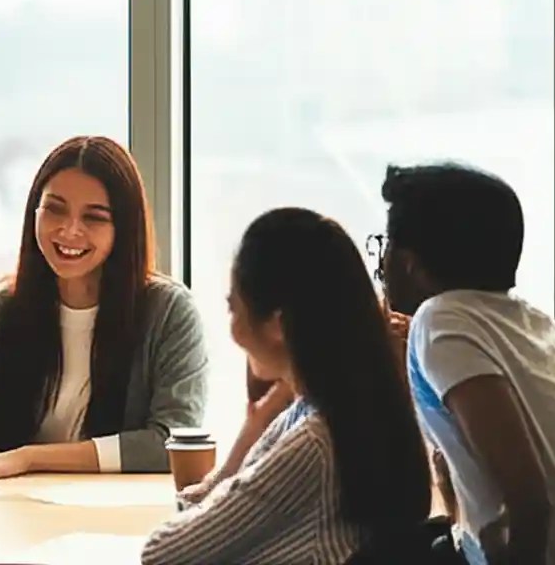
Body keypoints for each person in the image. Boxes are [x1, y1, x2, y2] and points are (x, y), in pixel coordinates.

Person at [0, 136, 208, 495]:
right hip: (12, 521)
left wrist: (30, 458)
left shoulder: (169, 313)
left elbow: (171, 441)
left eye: (94, 217)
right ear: (34, 214)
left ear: (124, 230)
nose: (70, 230)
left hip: (122, 523)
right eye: (55, 209)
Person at [142, 208, 431, 564]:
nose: (231, 329)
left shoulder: (314, 443)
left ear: (278, 325)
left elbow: (162, 554)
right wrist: (251, 435)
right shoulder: (339, 412)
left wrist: (245, 445)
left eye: (234, 309)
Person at [380, 162, 555, 565]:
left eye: (388, 243)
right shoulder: (531, 320)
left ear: (410, 262)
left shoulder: (440, 319)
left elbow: (529, 499)